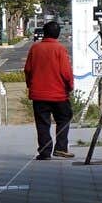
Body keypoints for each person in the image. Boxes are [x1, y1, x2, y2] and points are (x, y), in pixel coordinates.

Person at [23, 18, 74, 159]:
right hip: (59, 94)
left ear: (44, 33)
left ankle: (45, 152)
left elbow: (27, 69)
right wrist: (69, 87)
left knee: (42, 123)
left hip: (38, 94)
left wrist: (30, 85)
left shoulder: (35, 48)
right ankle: (61, 148)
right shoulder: (59, 49)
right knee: (64, 118)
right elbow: (66, 72)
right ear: (58, 34)